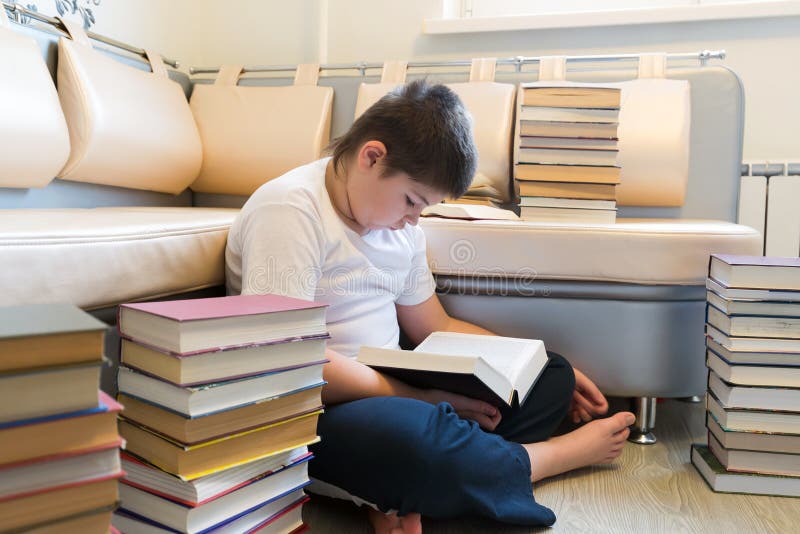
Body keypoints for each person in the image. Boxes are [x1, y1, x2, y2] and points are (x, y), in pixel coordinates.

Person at [225, 79, 635, 533]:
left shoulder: (400, 229)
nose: (414, 219)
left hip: (392, 385)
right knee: (421, 439)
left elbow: (433, 326)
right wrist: (421, 398)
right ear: (372, 157)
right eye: (412, 200)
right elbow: (286, 361)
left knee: (551, 376)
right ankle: (548, 458)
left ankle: (396, 490)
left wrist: (529, 359)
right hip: (316, 405)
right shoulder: (291, 209)